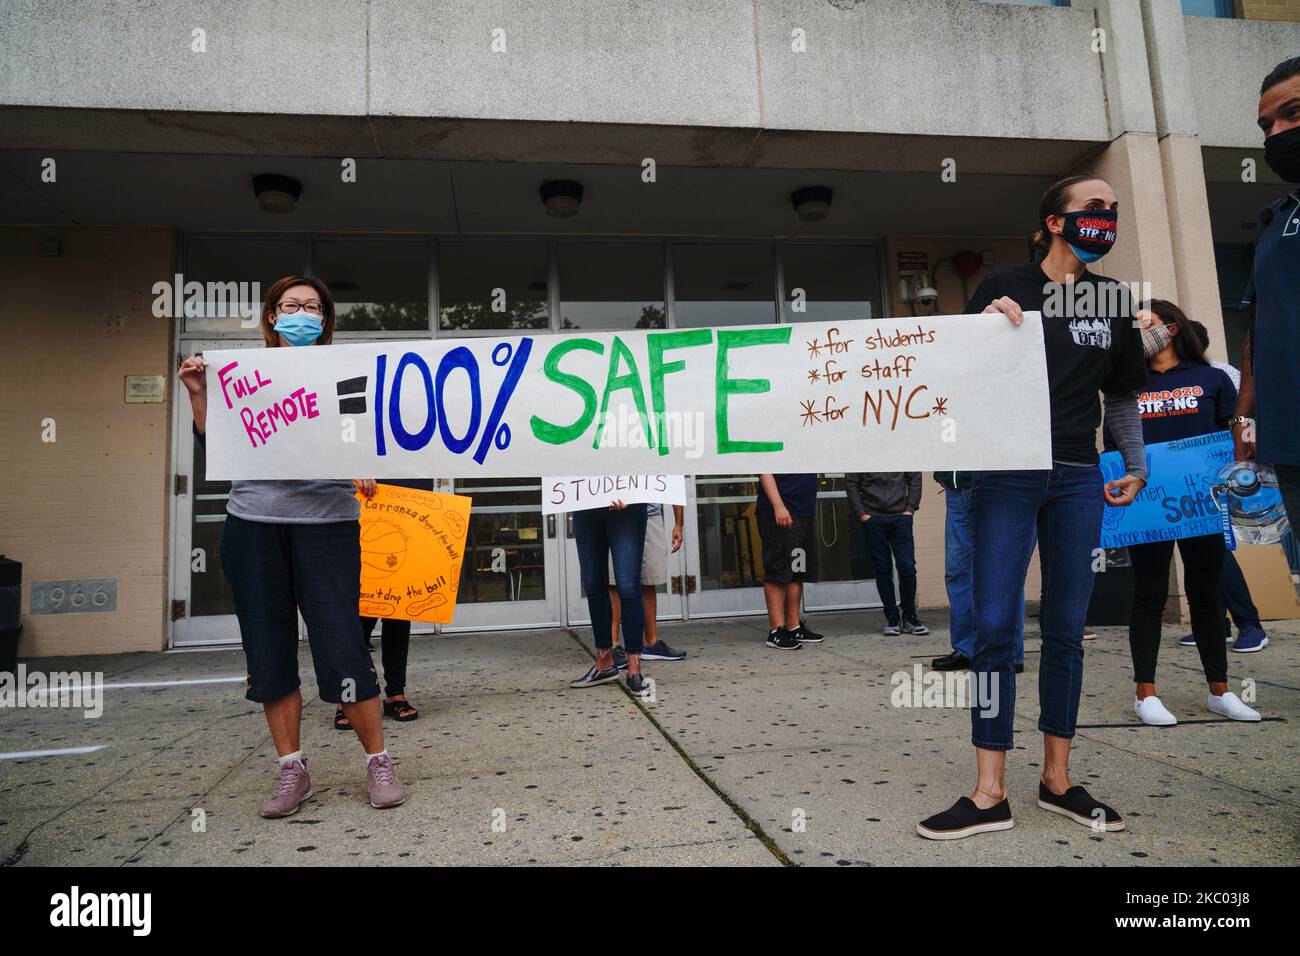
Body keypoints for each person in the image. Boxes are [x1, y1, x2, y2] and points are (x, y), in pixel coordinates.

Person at [917, 174, 1148, 841]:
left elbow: (1124, 397)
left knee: (1068, 627)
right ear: (1054, 221)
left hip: (1077, 475)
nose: (1106, 217)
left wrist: (1135, 466)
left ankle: (1057, 779)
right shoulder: (1004, 286)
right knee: (993, 625)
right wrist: (983, 334)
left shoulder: (1112, 300)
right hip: (1007, 475)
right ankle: (989, 791)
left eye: (1112, 209)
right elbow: (957, 372)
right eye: (1092, 208)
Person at [178, 276, 405, 818]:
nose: (301, 314)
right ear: (272, 316)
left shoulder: (347, 374)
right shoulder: (240, 375)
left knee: (343, 644)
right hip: (253, 526)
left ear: (324, 320)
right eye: (290, 306)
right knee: (268, 648)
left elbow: (367, 434)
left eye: (311, 307)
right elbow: (219, 448)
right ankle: (292, 769)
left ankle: (378, 760)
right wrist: (199, 394)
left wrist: (366, 464)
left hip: (327, 525)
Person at [1111, 300, 1260, 726]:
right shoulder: (1127, 386)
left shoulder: (1210, 378)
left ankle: (1220, 690)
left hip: (1200, 502)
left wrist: (1241, 474)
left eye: (1147, 324)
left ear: (1172, 329)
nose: (1139, 332)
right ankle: (1146, 693)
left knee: (1206, 594)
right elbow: (1112, 444)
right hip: (1147, 503)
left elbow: (1235, 432)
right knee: (1149, 593)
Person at [1232, 57, 1300, 532]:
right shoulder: (1275, 220)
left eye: (1292, 113)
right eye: (1265, 124)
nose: (1274, 133)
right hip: (1289, 440)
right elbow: (1257, 328)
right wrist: (1244, 420)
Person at [1184, 319, 1269, 654]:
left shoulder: (1221, 374)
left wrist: (1241, 466)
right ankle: (1215, 624)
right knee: (1196, 552)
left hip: (1216, 475)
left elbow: (1241, 419)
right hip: (1181, 479)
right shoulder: (1162, 380)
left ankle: (1250, 625)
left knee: (1218, 551)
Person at [333, 479, 431, 731]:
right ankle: (347, 695)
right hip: (359, 499)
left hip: (404, 490)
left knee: (399, 615)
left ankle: (395, 693)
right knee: (359, 618)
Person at [931, 471, 1025, 674]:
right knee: (957, 571)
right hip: (955, 490)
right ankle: (966, 649)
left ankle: (1011, 652)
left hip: (991, 486)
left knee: (1004, 570)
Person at [568, 499, 653, 697]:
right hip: (586, 505)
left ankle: (634, 669)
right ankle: (604, 661)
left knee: (628, 585)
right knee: (593, 585)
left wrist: (630, 493)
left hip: (627, 508)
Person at [845, 471, 927, 635]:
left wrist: (910, 508)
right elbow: (851, 483)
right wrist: (861, 513)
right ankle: (892, 619)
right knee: (882, 569)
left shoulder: (900, 449)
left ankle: (910, 617)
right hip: (873, 518)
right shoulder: (862, 452)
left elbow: (915, 478)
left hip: (900, 518)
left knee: (907, 567)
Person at [608, 503, 688, 669]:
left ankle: (651, 643)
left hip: (650, 515)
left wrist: (678, 524)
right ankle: (612, 646)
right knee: (614, 581)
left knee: (649, 578)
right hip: (614, 514)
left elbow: (673, 481)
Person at [757, 474, 822, 649]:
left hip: (803, 512)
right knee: (777, 569)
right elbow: (764, 470)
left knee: (796, 570)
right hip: (780, 510)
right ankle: (776, 631)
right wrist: (778, 505)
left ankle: (794, 627)